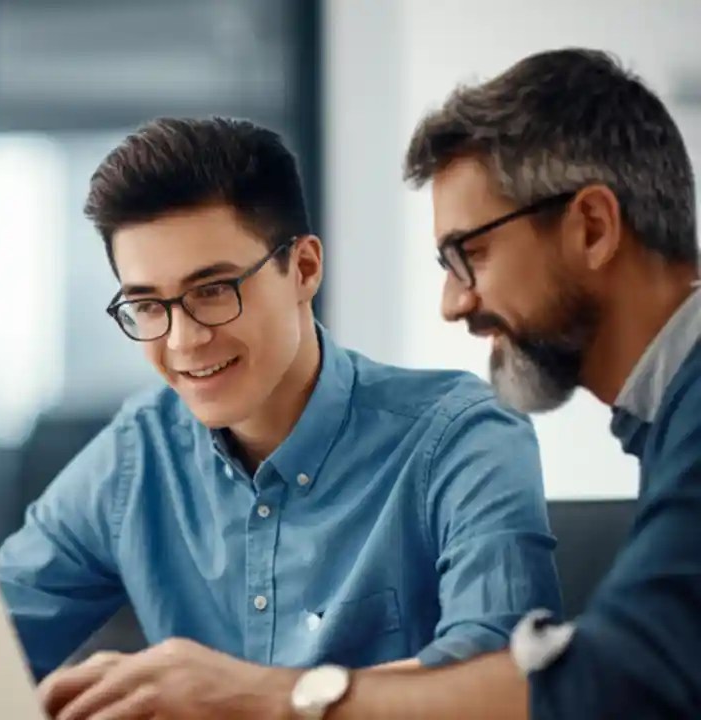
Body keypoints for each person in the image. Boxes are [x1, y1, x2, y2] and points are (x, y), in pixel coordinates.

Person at [36, 48, 701, 720]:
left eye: (469, 255)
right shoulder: (669, 420)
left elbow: (610, 685)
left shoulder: (490, 430)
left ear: (592, 227)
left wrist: (266, 699)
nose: (452, 303)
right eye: (148, 305)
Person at [0, 116, 561, 716]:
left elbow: (509, 685)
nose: (183, 341)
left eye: (213, 290)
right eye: (147, 305)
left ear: (305, 269)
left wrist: (254, 699)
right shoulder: (137, 453)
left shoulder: (463, 435)